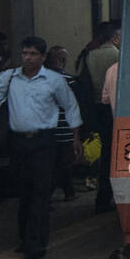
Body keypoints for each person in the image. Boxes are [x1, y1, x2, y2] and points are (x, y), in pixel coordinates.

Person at [0, 37, 82, 259]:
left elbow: (70, 106)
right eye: (25, 53)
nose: (28, 58)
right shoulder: (9, 78)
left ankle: (36, 245)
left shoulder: (54, 80)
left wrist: (75, 138)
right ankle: (25, 238)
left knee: (41, 192)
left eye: (33, 54)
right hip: (18, 142)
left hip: (44, 142)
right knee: (24, 192)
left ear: (43, 57)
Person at [84, 22, 120, 213]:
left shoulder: (90, 55)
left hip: (99, 107)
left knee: (106, 154)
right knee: (117, 155)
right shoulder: (118, 57)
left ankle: (102, 197)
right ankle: (114, 196)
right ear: (115, 37)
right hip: (115, 108)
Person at [46, 46, 78, 201]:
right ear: (63, 61)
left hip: (45, 131)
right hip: (64, 130)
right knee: (63, 164)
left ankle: (69, 191)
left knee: (53, 165)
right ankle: (47, 197)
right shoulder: (68, 81)